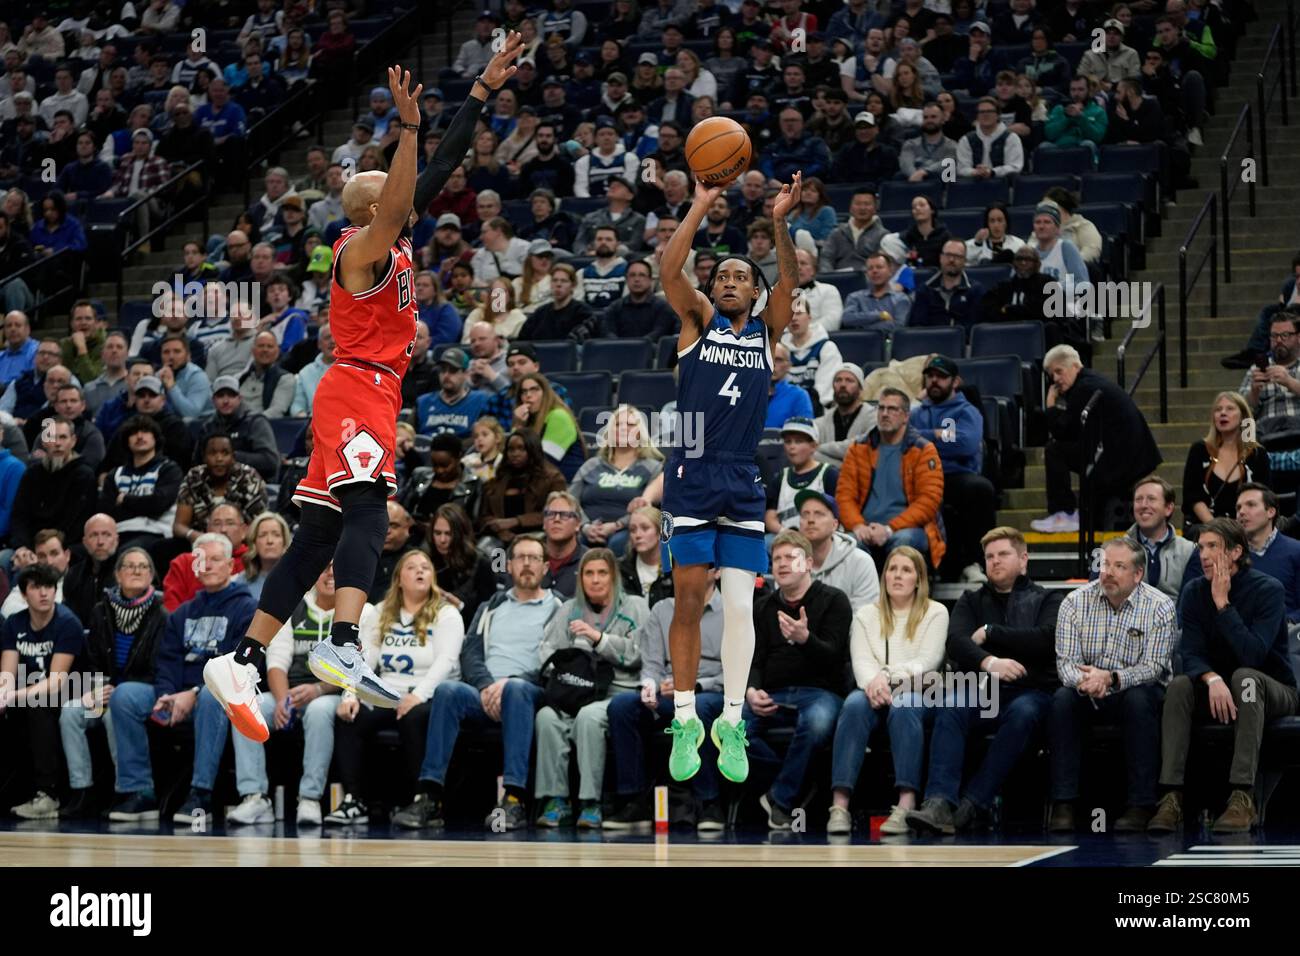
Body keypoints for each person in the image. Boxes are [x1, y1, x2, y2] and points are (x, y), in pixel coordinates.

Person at [201, 42, 529, 745]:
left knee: (319, 534)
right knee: (370, 517)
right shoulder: (360, 247)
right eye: (393, 190)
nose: (409, 194)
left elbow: (438, 170)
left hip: (362, 393)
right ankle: (344, 641)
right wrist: (407, 131)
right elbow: (411, 182)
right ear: (378, 204)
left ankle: (243, 659)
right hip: (357, 390)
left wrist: (476, 93)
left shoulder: (390, 236)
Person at [654, 168, 803, 788]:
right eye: (723, 277)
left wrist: (780, 222)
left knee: (742, 604)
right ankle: (686, 716)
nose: (731, 282)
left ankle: (732, 720)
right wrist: (700, 204)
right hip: (692, 469)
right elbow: (669, 269)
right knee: (689, 600)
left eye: (743, 275)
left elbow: (790, 281)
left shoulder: (768, 332)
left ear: (758, 290)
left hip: (742, 475)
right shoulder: (697, 322)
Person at [390, 535, 563, 830]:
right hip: (485, 693)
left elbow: (556, 662)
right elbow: (470, 651)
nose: (526, 564)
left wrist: (509, 683)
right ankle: (430, 797)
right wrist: (485, 686)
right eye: (520, 557)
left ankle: (513, 800)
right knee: (448, 690)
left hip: (527, 692)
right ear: (508, 565)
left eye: (533, 558)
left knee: (517, 690)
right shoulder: (491, 606)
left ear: (545, 567)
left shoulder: (558, 609)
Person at [905, 527, 1064, 834]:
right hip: (985, 690)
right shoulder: (971, 599)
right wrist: (990, 662)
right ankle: (938, 802)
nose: (995, 562)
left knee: (1024, 713)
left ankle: (973, 803)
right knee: (951, 705)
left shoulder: (1048, 598)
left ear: (1023, 559)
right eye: (989, 557)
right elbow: (956, 643)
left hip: (1032, 690)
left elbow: (1045, 640)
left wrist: (992, 632)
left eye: (1003, 554)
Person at [1151, 517, 1299, 834]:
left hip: (1272, 689)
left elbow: (1253, 655)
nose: (1203, 554)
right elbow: (1189, 652)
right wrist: (1211, 679)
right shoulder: (1192, 591)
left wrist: (1223, 605)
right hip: (1219, 688)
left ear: (1234, 552)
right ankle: (1171, 797)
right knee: (1178, 686)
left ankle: (1242, 795)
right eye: (1201, 547)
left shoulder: (1268, 590)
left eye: (1212, 547)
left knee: (1245, 677)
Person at [326, 550, 465, 825]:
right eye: (412, 567)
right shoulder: (381, 611)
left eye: (426, 567)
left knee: (413, 717)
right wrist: (350, 694)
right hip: (389, 690)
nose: (420, 571)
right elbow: (363, 659)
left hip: (431, 693)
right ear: (399, 578)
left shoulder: (447, 613)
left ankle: (423, 802)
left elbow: (446, 662)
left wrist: (417, 695)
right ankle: (355, 801)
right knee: (350, 717)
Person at [1048, 536, 1176, 831]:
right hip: (1087, 690)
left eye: (1119, 566)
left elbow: (1155, 668)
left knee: (1139, 700)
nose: (1108, 572)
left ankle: (1140, 805)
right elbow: (1065, 664)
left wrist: (1113, 678)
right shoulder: (1074, 602)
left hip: (1135, 690)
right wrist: (1088, 681)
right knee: (1062, 700)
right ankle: (1063, 803)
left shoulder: (1159, 606)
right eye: (1105, 564)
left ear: (1138, 574)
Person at [826, 545, 947, 834]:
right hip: (872, 690)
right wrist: (874, 682)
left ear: (919, 579)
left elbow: (928, 661)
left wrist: (886, 675)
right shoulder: (866, 614)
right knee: (853, 705)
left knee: (904, 704)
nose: (897, 575)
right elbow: (861, 661)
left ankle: (906, 803)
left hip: (919, 690)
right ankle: (840, 806)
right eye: (892, 569)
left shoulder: (936, 612)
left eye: (906, 570)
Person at [532, 548, 649, 828]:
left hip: (618, 691)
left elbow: (639, 654)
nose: (595, 580)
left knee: (589, 717)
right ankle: (555, 800)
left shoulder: (635, 606)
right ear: (580, 578)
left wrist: (599, 640)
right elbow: (546, 652)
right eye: (589, 573)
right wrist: (569, 667)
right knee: (546, 717)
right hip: (575, 692)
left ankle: (590, 802)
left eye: (602, 573)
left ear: (614, 577)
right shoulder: (569, 609)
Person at [59, 547, 165, 819]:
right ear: (117, 575)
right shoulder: (100, 610)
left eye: (142, 567)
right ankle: (82, 790)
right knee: (71, 712)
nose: (136, 571)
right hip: (105, 690)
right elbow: (92, 659)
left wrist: (118, 692)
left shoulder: (161, 612)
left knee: (114, 715)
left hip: (143, 690)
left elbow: (159, 667)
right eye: (129, 566)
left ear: (152, 576)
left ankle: (129, 791)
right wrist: (97, 689)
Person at [1032, 345, 1163, 534]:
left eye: (1059, 372)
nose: (1056, 380)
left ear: (1075, 366)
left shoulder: (1084, 388)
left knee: (1055, 450)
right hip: (1128, 457)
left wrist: (1051, 406)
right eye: (1052, 375)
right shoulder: (1091, 382)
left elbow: (1065, 430)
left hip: (1121, 461)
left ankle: (1063, 513)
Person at [0, 564, 85, 819]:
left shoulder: (68, 622)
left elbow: (57, 681)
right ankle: (13, 789)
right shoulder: (15, 623)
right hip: (30, 690)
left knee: (36, 704)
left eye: (49, 587)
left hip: (78, 689)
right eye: (36, 587)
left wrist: (11, 696)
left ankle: (49, 794)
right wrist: (2, 693)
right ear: (24, 595)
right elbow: (8, 672)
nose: (44, 593)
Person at [838, 387, 947, 567]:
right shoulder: (858, 448)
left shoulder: (923, 450)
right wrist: (858, 526)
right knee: (846, 543)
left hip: (907, 529)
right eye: (881, 408)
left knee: (904, 541)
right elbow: (844, 496)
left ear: (906, 416)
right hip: (864, 528)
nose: (885, 414)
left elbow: (928, 501)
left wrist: (889, 529)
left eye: (892, 409)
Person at [910, 355, 997, 581]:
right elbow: (906, 440)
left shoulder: (966, 411)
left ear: (955, 382)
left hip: (956, 474)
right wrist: (939, 436)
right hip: (921, 475)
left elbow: (966, 444)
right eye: (930, 376)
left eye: (941, 377)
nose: (934, 381)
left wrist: (925, 438)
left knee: (980, 489)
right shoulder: (916, 413)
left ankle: (977, 562)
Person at [570, 405, 664, 555]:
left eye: (630, 425)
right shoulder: (591, 465)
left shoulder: (653, 468)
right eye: (617, 424)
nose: (623, 428)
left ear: (640, 433)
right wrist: (585, 526)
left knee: (618, 542)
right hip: (588, 529)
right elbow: (570, 500)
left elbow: (649, 508)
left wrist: (617, 525)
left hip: (629, 529)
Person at [1182, 392, 1270, 533]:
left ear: (1243, 416)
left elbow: (1263, 497)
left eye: (1230, 408)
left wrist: (1238, 531)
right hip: (1206, 529)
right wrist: (1218, 529)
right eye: (1218, 410)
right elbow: (1193, 497)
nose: (1223, 413)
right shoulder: (1199, 450)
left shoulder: (1257, 454)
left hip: (1246, 530)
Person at [478, 429, 569, 547]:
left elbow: (555, 514)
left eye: (522, 449)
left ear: (532, 450)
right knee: (485, 552)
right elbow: (483, 516)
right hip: (499, 537)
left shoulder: (553, 478)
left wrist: (515, 521)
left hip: (538, 535)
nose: (515, 454)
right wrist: (500, 530)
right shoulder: (498, 479)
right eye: (511, 449)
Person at [798, 490, 880, 612]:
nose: (810, 520)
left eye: (819, 514)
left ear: (835, 524)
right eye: (805, 514)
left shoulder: (861, 562)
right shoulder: (790, 561)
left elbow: (864, 619)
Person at [765, 417, 839, 539]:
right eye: (788, 441)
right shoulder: (780, 477)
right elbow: (770, 516)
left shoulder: (829, 474)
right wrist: (786, 533)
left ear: (814, 446)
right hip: (787, 537)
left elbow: (837, 514)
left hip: (821, 537)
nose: (792, 447)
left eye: (798, 441)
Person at [1241, 313, 1300, 443]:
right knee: (1245, 425)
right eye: (1274, 336)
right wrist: (1254, 392)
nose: (1278, 340)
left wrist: (1289, 382)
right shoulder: (1255, 370)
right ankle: (1248, 459)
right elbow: (1240, 410)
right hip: (1266, 435)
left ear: (1298, 337)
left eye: (1285, 335)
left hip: (1298, 428)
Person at [814, 364, 877, 464]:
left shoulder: (873, 416)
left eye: (849, 380)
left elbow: (863, 446)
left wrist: (821, 448)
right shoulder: (822, 422)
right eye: (838, 380)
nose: (843, 385)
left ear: (860, 388)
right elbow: (808, 448)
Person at [819, 190, 886, 273]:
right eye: (858, 204)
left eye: (867, 204)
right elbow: (826, 258)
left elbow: (882, 264)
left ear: (875, 208)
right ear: (851, 208)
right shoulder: (836, 233)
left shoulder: (883, 235)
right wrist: (829, 276)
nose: (862, 208)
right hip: (838, 278)